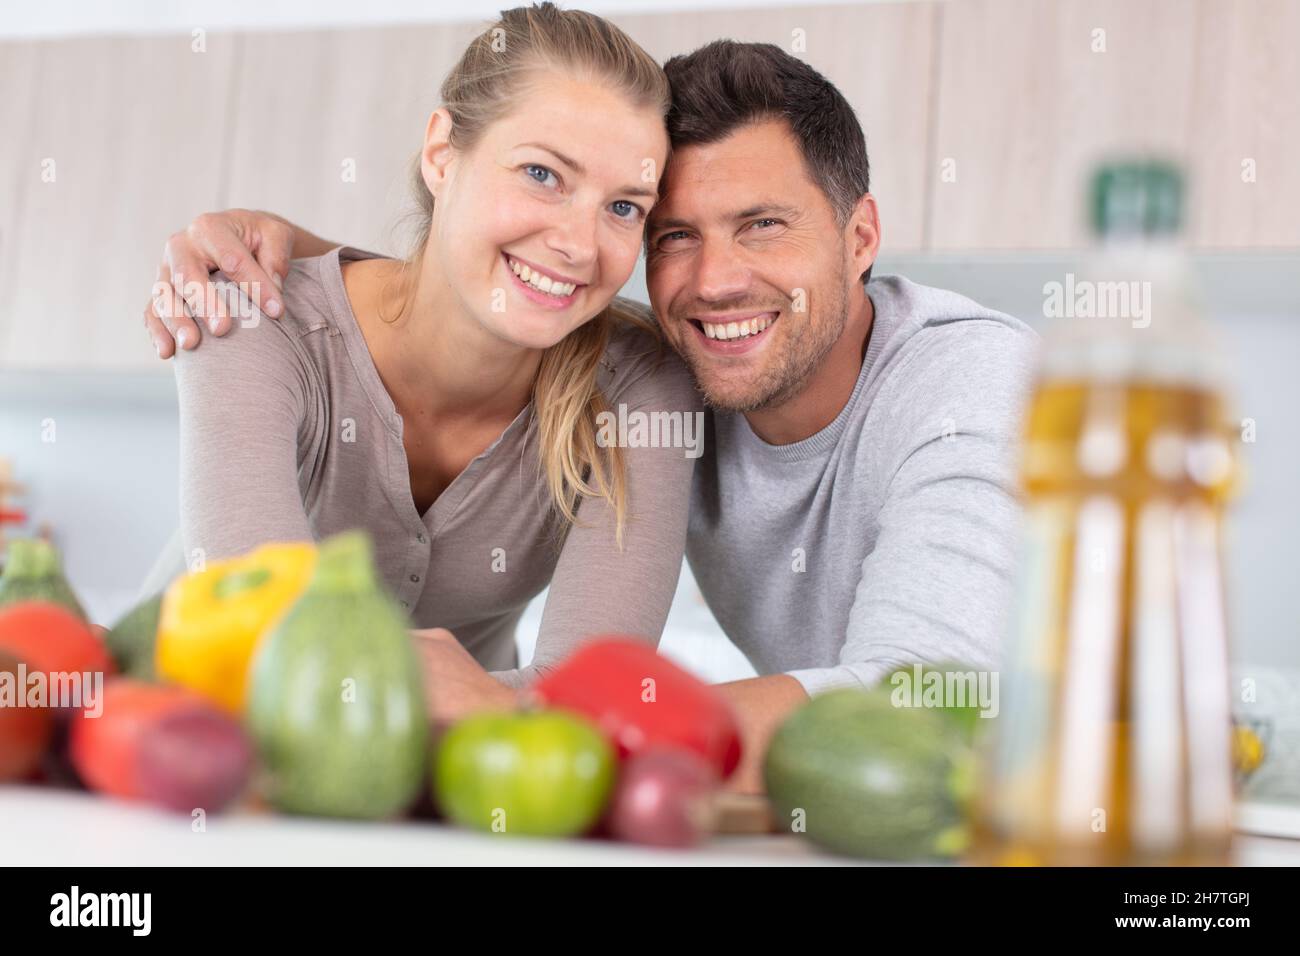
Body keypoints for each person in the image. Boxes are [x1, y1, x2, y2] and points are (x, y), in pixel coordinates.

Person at [144, 32, 1038, 793]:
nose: (717, 280)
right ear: (440, 152)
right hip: (177, 762)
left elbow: (935, 700)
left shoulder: (958, 388)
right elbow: (473, 290)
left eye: (762, 224)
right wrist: (291, 259)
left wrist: (543, 716)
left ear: (861, 238)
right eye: (672, 234)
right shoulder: (692, 365)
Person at [145, 4, 703, 727]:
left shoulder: (640, 389)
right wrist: (514, 702)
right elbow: (271, 645)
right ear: (442, 154)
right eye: (542, 173)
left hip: (439, 794)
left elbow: (591, 702)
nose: (579, 245)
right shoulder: (251, 312)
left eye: (624, 208)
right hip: (178, 750)